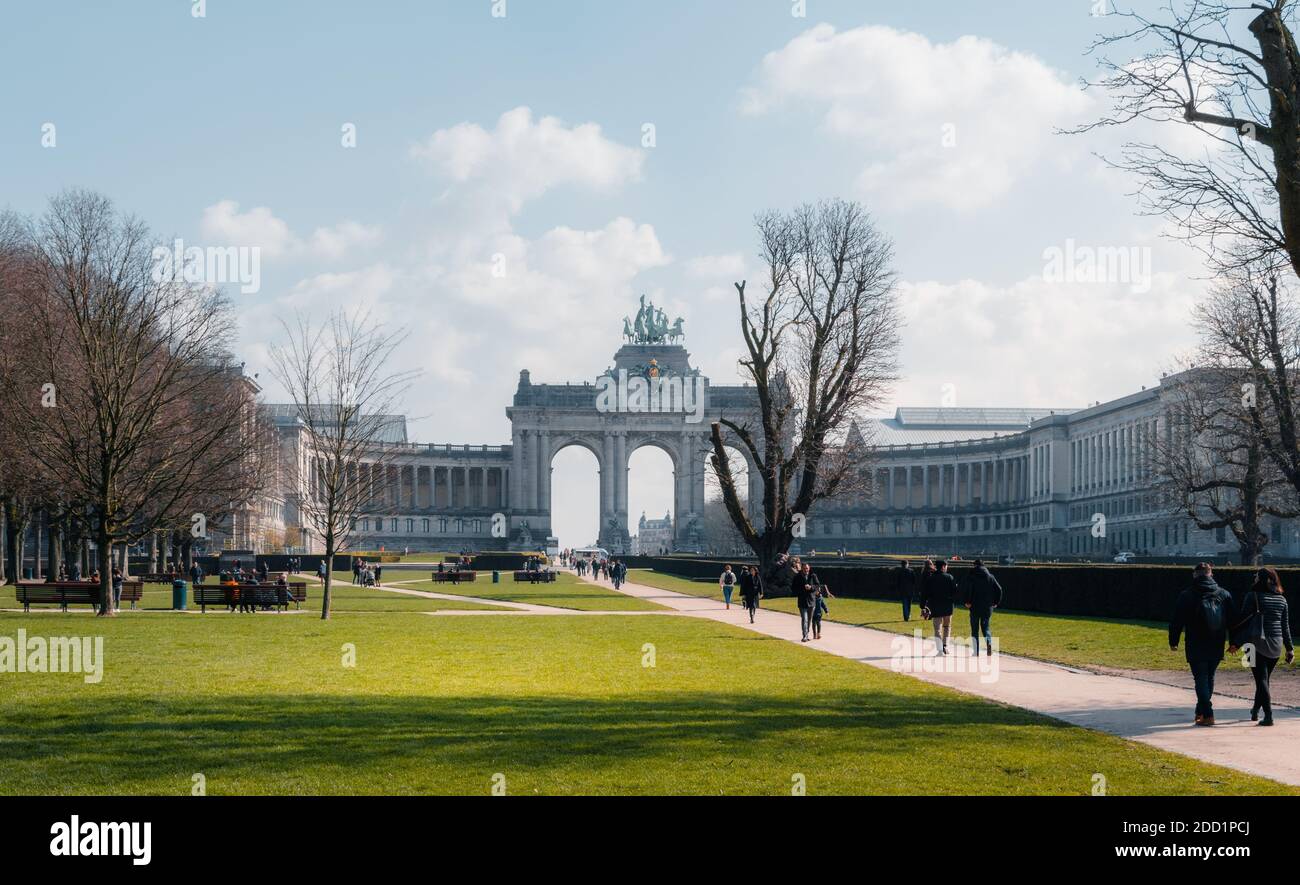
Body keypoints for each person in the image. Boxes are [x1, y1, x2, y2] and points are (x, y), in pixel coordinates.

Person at [1169, 562, 1235, 726]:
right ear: (1211, 574)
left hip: (1195, 641)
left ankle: (1208, 713)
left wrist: (1174, 641)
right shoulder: (1224, 594)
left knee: (1200, 677)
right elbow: (1234, 620)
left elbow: (1177, 620)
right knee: (1209, 677)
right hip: (1216, 640)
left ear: (1195, 575)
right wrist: (1234, 642)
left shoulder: (1187, 595)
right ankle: (1200, 711)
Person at [1230, 567, 1293, 726]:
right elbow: (1285, 626)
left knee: (1261, 680)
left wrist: (1236, 643)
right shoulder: (1282, 600)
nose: (1255, 579)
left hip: (1252, 644)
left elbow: (1243, 622)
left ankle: (1269, 716)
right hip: (1276, 645)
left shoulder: (1252, 596)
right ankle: (1255, 710)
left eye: (1257, 576)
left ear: (1262, 579)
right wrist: (1290, 648)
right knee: (1263, 680)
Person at [962, 559, 1003, 656]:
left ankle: (976, 651)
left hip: (974, 606)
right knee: (986, 628)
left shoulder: (971, 576)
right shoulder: (990, 577)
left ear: (974, 565)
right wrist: (996, 602)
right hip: (987, 607)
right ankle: (989, 644)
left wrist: (967, 602)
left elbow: (967, 590)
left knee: (975, 629)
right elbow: (999, 589)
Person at [921, 559, 957, 655]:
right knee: (947, 626)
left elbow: (924, 593)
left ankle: (940, 649)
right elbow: (955, 592)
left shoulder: (931, 578)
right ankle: (945, 645)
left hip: (935, 606)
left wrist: (922, 606)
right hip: (948, 606)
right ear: (943, 566)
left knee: (937, 628)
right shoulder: (949, 577)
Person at [794, 563, 818, 642]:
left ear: (809, 568)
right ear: (802, 569)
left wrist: (811, 587)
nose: (806, 570)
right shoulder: (797, 577)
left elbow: (817, 586)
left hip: (811, 601)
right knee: (804, 619)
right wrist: (802, 588)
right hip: (802, 601)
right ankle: (805, 636)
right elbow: (793, 588)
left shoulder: (813, 576)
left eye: (807, 568)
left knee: (809, 619)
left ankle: (807, 634)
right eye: (804, 568)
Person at [811, 569, 833, 640]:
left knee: (818, 623)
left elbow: (823, 605)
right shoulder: (812, 597)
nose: (817, 592)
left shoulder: (820, 598)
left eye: (818, 591)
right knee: (813, 623)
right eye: (816, 591)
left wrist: (827, 611)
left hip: (819, 613)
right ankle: (814, 634)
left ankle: (818, 634)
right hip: (813, 613)